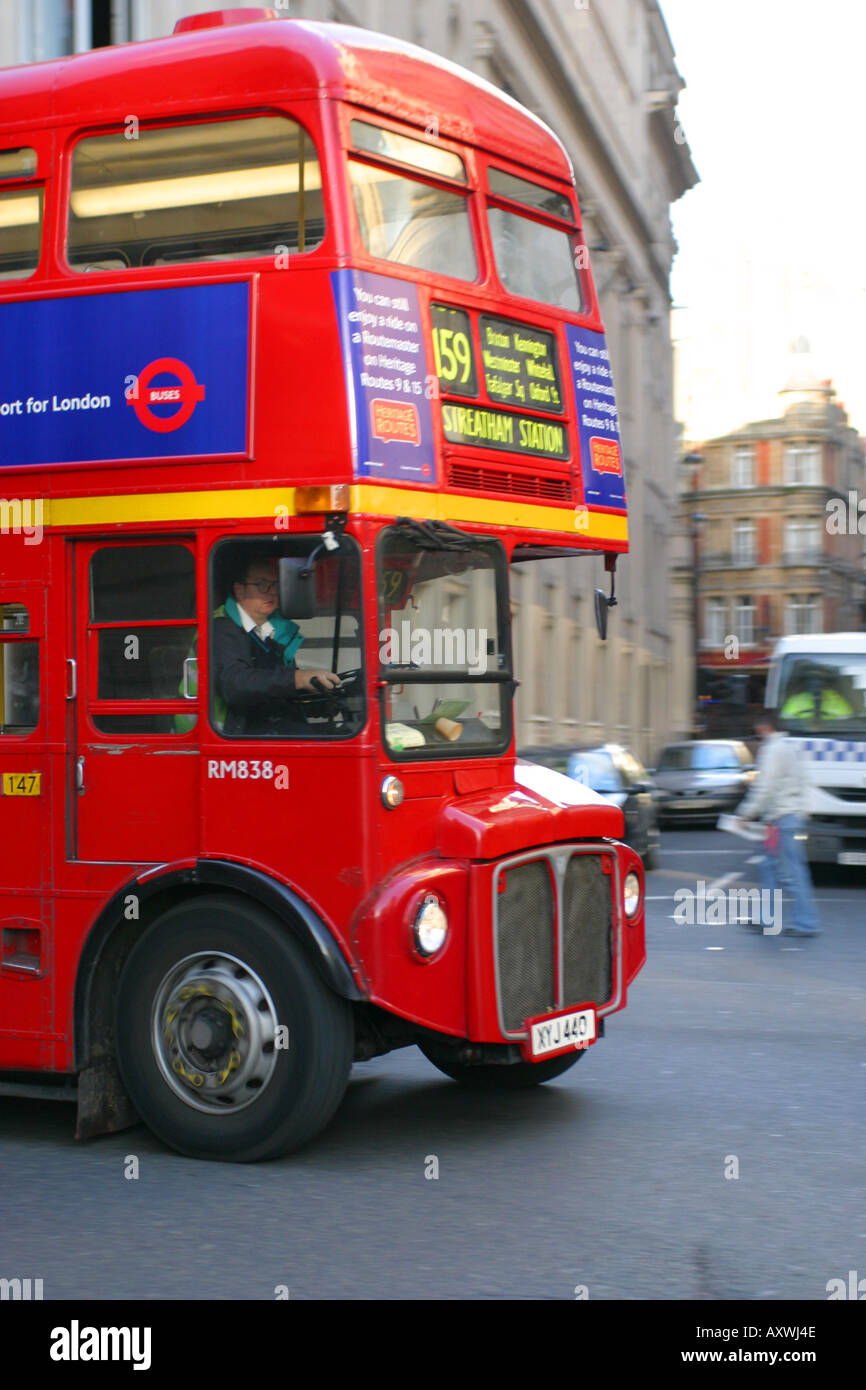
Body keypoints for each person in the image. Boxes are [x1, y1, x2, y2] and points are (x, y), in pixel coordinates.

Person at [213, 554, 340, 736]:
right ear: (239, 590)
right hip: (230, 741)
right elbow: (235, 684)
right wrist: (298, 678)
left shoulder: (273, 632)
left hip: (267, 733)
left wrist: (322, 700)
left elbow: (276, 693)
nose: (272, 592)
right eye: (262, 584)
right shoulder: (222, 628)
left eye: (276, 584)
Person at [736, 708, 821, 937]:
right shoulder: (788, 748)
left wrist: (746, 812)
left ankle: (806, 923)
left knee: (789, 872)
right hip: (783, 818)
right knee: (771, 869)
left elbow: (765, 786)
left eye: (758, 727)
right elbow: (802, 782)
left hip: (781, 820)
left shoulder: (772, 750)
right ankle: (769, 919)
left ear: (764, 726)